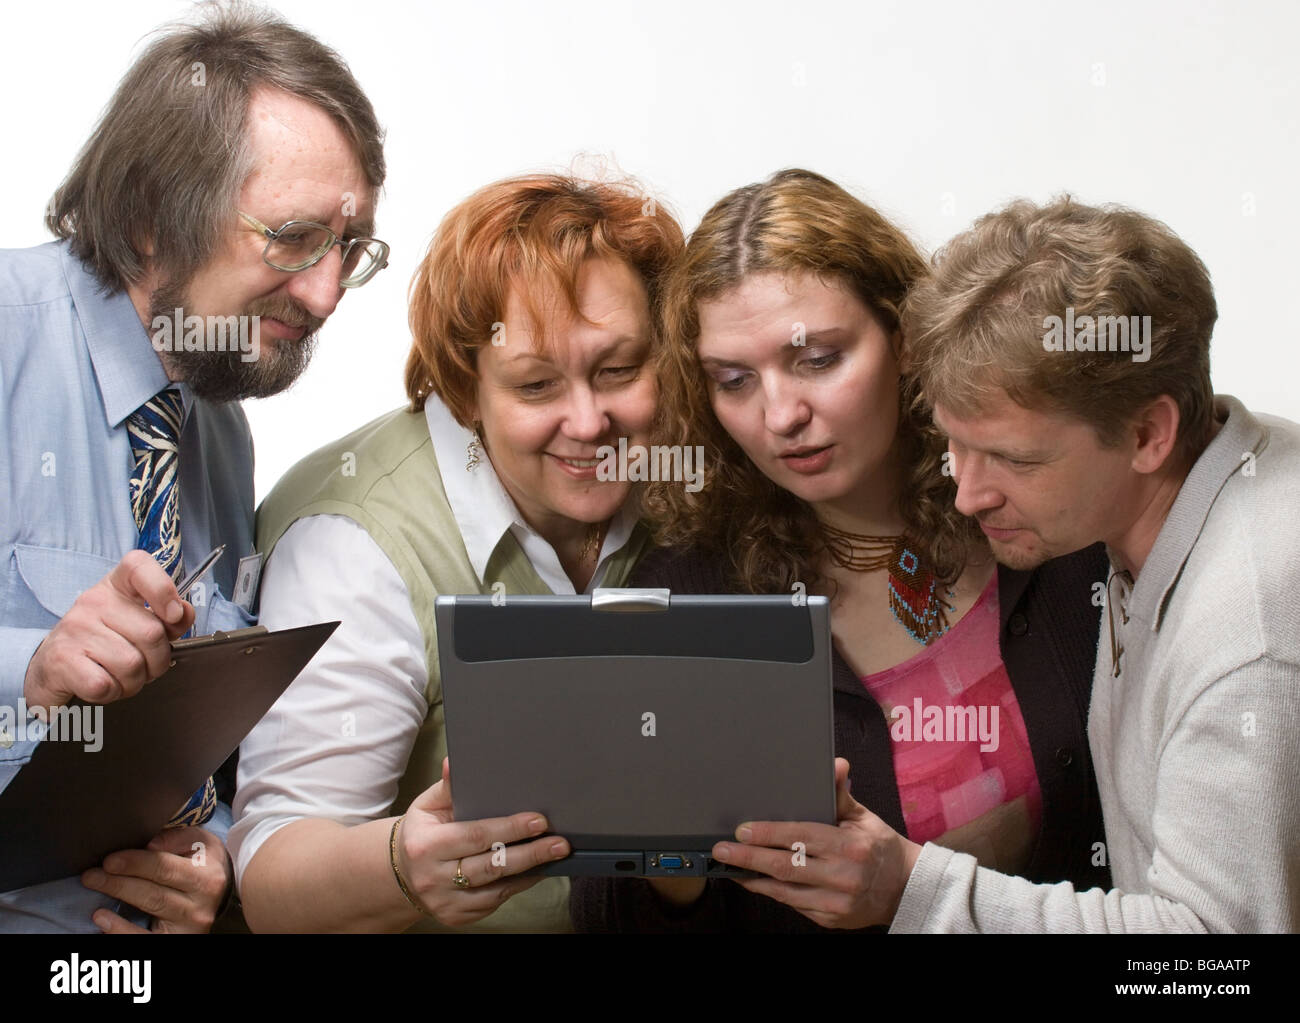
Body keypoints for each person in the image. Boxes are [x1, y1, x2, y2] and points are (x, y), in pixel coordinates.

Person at [692, 194, 1300, 932]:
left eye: (1013, 458)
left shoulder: (1249, 638)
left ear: (1149, 433)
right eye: (955, 445)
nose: (969, 495)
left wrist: (912, 888)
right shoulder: (1182, 490)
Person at [571, 169, 1112, 933]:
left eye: (817, 359)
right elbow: (604, 917)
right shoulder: (692, 598)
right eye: (732, 380)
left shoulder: (1046, 512)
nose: (780, 415)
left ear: (903, 333)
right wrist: (671, 850)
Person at [0, 3, 387, 933]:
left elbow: (178, 726)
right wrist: (31, 670)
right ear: (145, 218)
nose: (327, 294)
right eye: (292, 240)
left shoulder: (217, 425)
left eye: (350, 247)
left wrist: (205, 850)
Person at [228, 173, 684, 932]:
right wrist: (403, 864)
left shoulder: (685, 468)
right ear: (464, 388)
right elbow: (274, 876)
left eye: (618, 370)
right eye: (537, 385)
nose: (589, 421)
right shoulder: (354, 544)